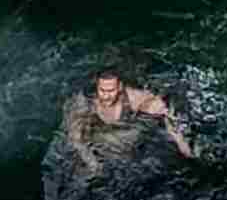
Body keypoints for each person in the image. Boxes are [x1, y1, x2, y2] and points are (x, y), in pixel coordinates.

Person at [65, 68, 194, 174]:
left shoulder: (134, 98)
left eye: (111, 91)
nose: (106, 96)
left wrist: (180, 142)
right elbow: (74, 136)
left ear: (120, 87)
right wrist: (92, 163)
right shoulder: (86, 102)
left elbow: (166, 112)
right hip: (98, 140)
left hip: (126, 140)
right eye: (102, 90)